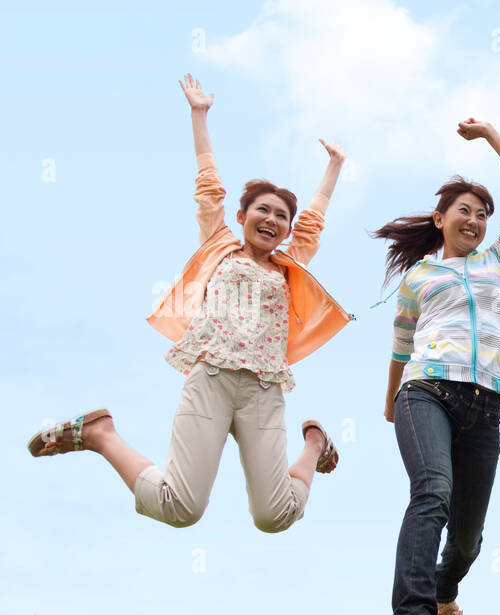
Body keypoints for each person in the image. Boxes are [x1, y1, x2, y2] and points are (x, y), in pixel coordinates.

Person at [27, 75, 348, 534]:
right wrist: (198, 115)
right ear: (241, 217)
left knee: (274, 516)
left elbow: (313, 222)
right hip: (211, 380)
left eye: (282, 216)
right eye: (263, 210)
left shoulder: (289, 265)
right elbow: (209, 189)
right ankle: (99, 433)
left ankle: (314, 445)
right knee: (179, 507)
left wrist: (335, 166)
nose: (272, 220)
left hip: (263, 390)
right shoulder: (219, 244)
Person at [375, 119, 500, 615]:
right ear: (440, 218)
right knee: (432, 493)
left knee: (468, 539)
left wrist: (492, 133)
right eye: (464, 210)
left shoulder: (499, 263)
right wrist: (393, 400)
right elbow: (401, 342)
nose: (475, 220)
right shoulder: (420, 277)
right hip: (427, 395)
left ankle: (445, 589)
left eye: (482, 213)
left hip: (486, 407)